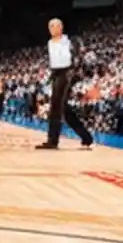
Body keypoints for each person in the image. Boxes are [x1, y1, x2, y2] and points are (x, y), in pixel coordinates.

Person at [38, 18, 94, 150]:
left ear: (61, 27)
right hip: (57, 74)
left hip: (67, 74)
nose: (51, 28)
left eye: (54, 26)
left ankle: (53, 140)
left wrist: (73, 73)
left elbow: (76, 58)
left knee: (55, 107)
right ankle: (86, 137)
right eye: (50, 26)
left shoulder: (69, 41)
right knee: (64, 110)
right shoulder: (50, 42)